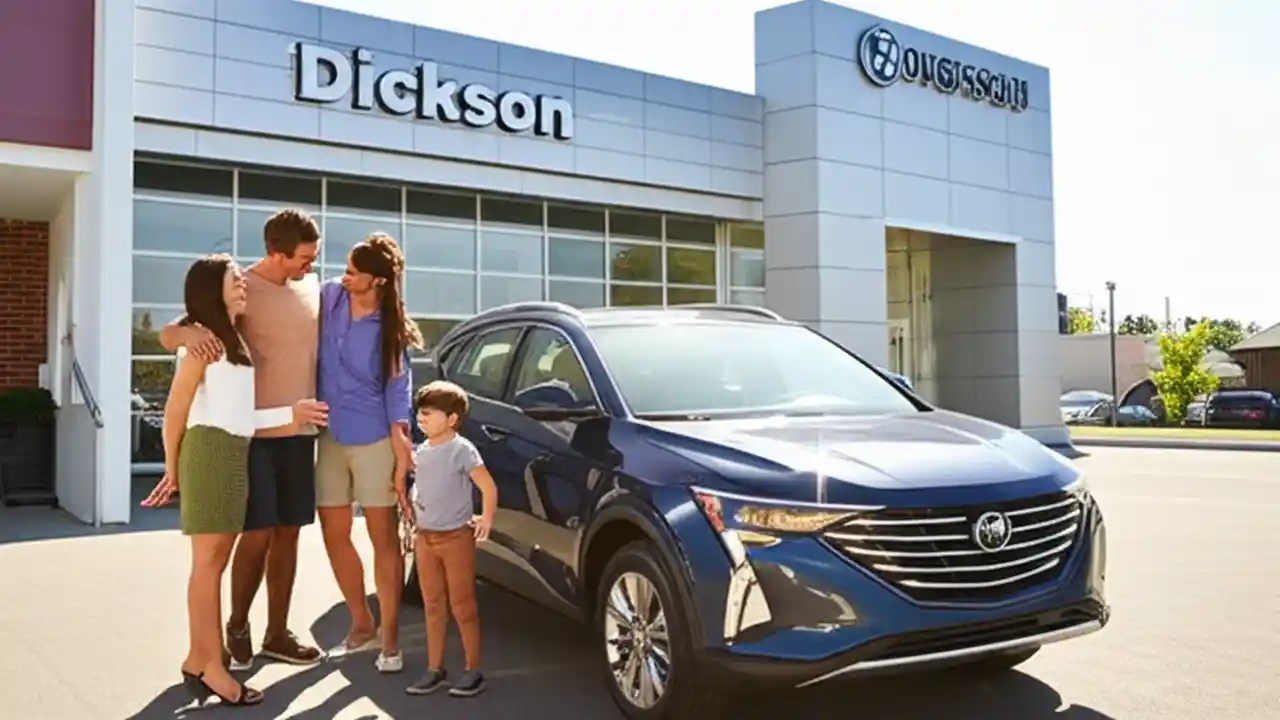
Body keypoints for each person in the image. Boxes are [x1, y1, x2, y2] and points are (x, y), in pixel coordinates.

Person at [140, 255, 328, 707]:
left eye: (243, 279)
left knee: (213, 565)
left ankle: (197, 657)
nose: (243, 285)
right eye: (234, 281)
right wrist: (172, 466)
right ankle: (212, 668)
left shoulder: (233, 340)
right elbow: (176, 410)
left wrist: (293, 415)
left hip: (233, 454)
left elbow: (245, 419)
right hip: (209, 454)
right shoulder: (202, 344)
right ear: (212, 289)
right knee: (207, 567)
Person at [316, 233, 421, 672]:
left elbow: (399, 390)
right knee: (333, 534)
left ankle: (390, 640)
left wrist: (402, 444)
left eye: (354, 270)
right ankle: (362, 623)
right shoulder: (330, 299)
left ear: (376, 281)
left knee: (383, 541)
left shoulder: (389, 328)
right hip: (329, 436)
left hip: (375, 438)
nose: (345, 274)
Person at [404, 381, 498, 698]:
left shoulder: (462, 450)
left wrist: (485, 518)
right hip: (425, 539)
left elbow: (487, 486)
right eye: (420, 413)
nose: (422, 418)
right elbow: (421, 490)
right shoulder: (421, 452)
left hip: (456, 537)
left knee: (462, 605)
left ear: (452, 418)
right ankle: (435, 668)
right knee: (432, 604)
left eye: (429, 413)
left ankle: (473, 670)